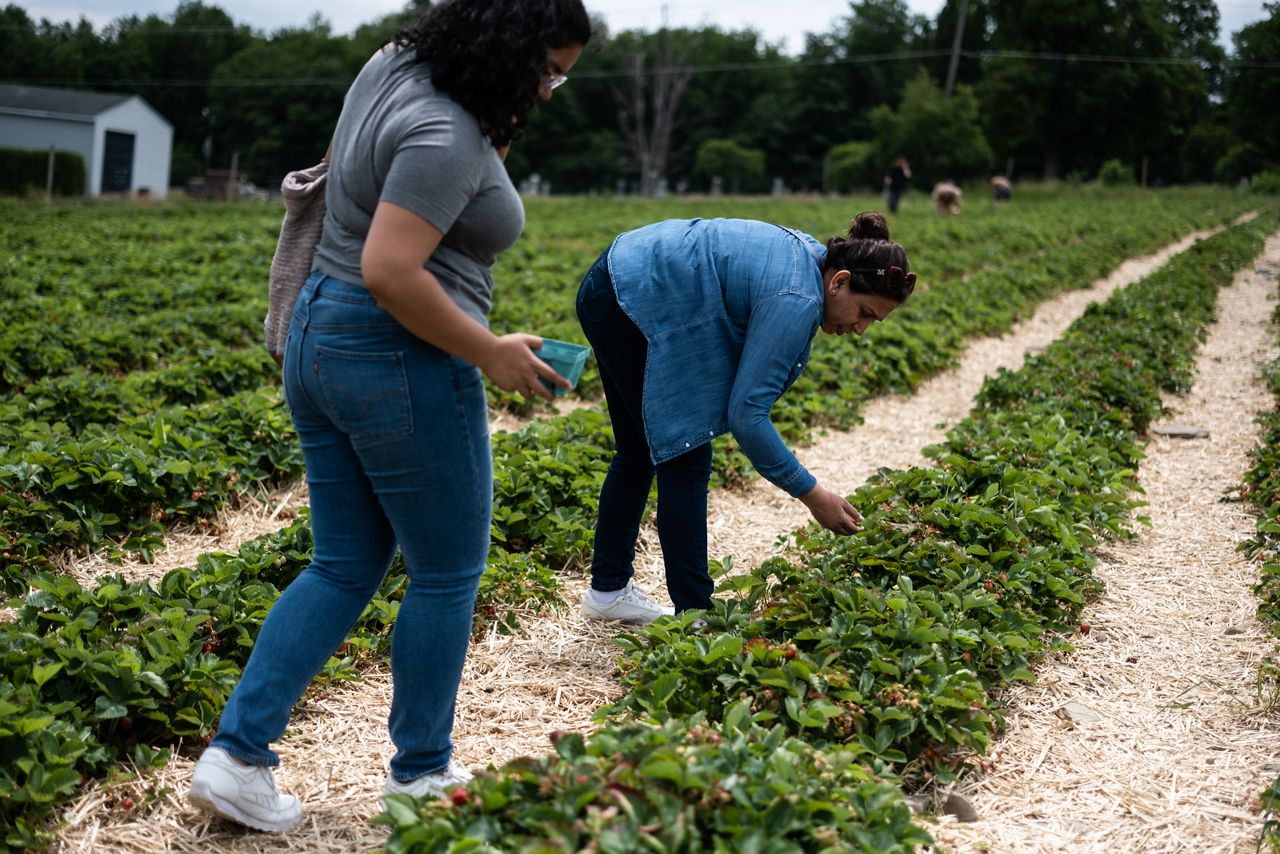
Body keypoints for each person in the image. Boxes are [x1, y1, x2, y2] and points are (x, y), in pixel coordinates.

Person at [187, 0, 591, 833]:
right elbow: (392, 270)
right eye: (548, 69)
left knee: (341, 562)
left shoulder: (394, 64)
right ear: (507, 49)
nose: (551, 91)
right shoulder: (444, 132)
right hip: (396, 353)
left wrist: (504, 110)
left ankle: (237, 758)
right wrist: (487, 350)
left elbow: (371, 197)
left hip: (319, 337)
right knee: (446, 572)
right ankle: (422, 775)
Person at [576, 212, 915, 625]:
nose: (860, 329)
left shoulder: (811, 261)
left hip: (616, 278)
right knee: (686, 452)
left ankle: (609, 591)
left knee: (638, 452)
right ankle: (695, 616)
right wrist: (812, 494)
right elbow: (747, 414)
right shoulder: (798, 297)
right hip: (629, 298)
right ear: (839, 281)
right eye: (864, 313)